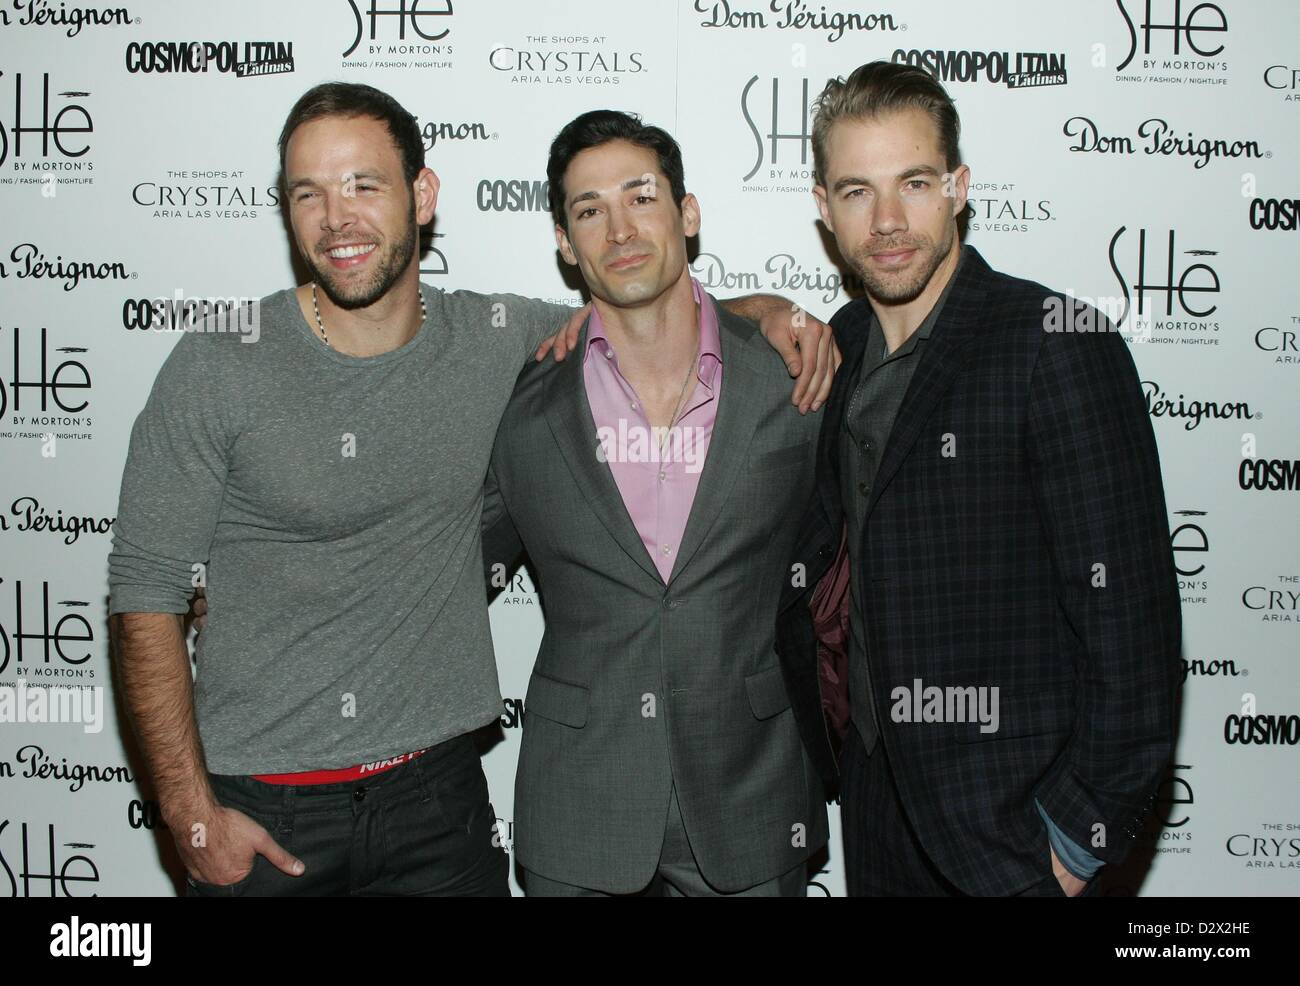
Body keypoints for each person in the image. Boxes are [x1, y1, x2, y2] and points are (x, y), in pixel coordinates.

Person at [108, 83, 833, 897]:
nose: (336, 218)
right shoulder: (220, 364)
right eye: (308, 193)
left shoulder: (498, 341)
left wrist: (771, 312)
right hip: (266, 810)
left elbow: (643, 309)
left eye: (363, 185)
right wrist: (188, 813)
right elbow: (144, 597)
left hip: (437, 801)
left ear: (422, 196)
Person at [780, 61, 1182, 897]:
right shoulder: (840, 344)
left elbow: (1133, 631)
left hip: (1010, 830)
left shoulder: (1053, 343)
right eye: (857, 192)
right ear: (823, 208)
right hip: (877, 808)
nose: (888, 221)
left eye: (914, 183)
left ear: (958, 187)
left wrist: (1076, 840)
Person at [480, 110, 837, 896]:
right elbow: (449, 570)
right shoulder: (524, 409)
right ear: (567, 247)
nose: (619, 229)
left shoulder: (794, 378)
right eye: (588, 210)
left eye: (641, 197)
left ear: (688, 213)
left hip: (754, 793)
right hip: (580, 808)